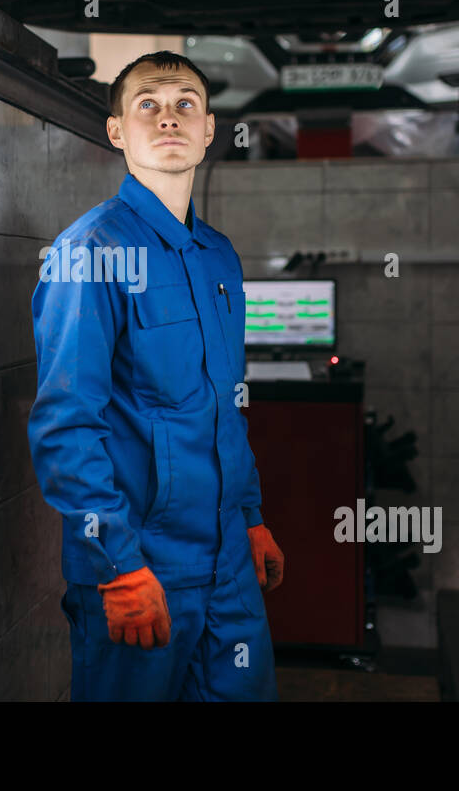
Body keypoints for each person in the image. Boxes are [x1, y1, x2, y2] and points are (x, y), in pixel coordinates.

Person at [28, 50, 286, 701]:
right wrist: (118, 565)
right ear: (117, 131)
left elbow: (225, 406)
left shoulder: (218, 257)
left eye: (184, 104)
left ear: (208, 130)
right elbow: (65, 425)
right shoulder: (90, 253)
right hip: (142, 567)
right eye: (148, 104)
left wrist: (250, 515)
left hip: (228, 567)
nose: (167, 117)